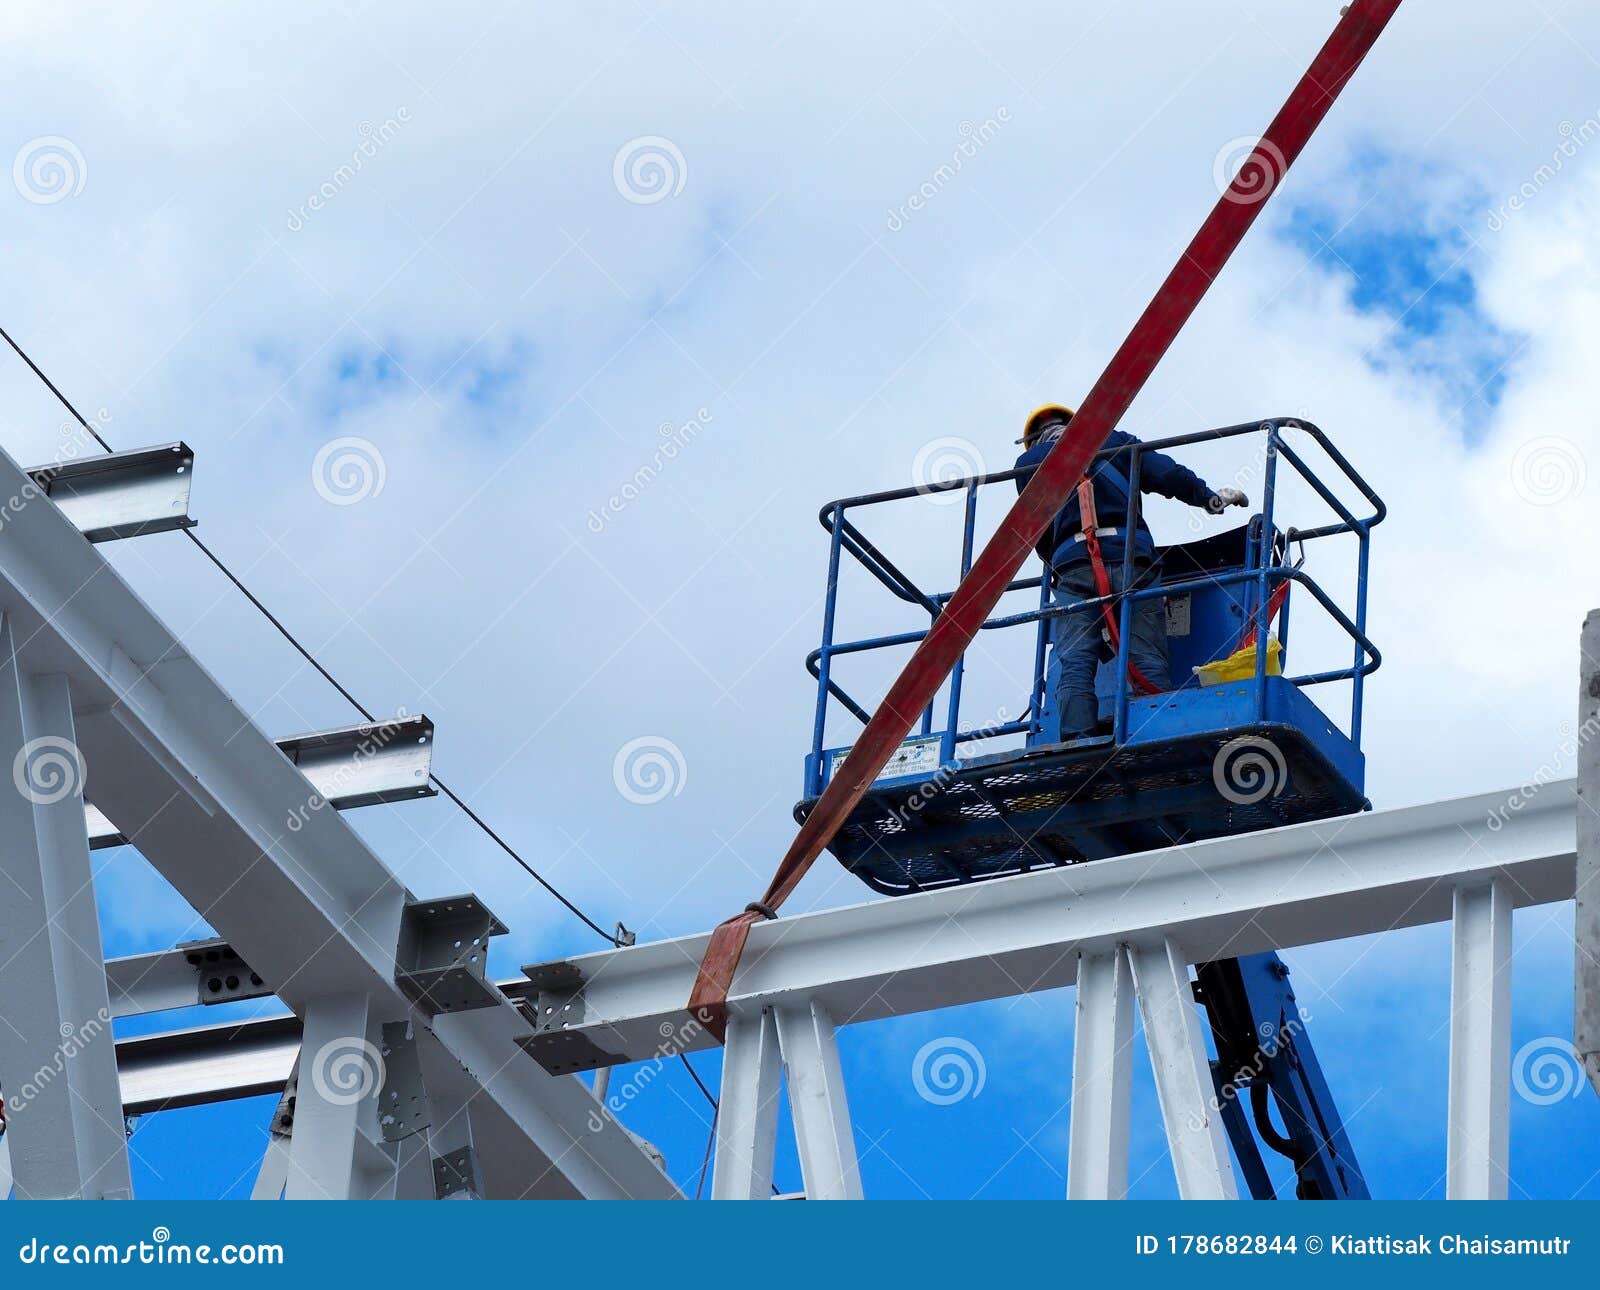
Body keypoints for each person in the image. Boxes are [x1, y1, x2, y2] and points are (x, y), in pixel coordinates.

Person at [1014, 404, 1247, 742]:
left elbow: (1034, 531)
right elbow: (1169, 475)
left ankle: (1075, 743)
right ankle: (1156, 735)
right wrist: (1208, 499)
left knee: (1076, 663)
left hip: (1074, 568)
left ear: (1033, 441)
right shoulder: (1115, 441)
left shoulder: (1027, 465)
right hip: (1130, 558)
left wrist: (1060, 570)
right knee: (1146, 655)